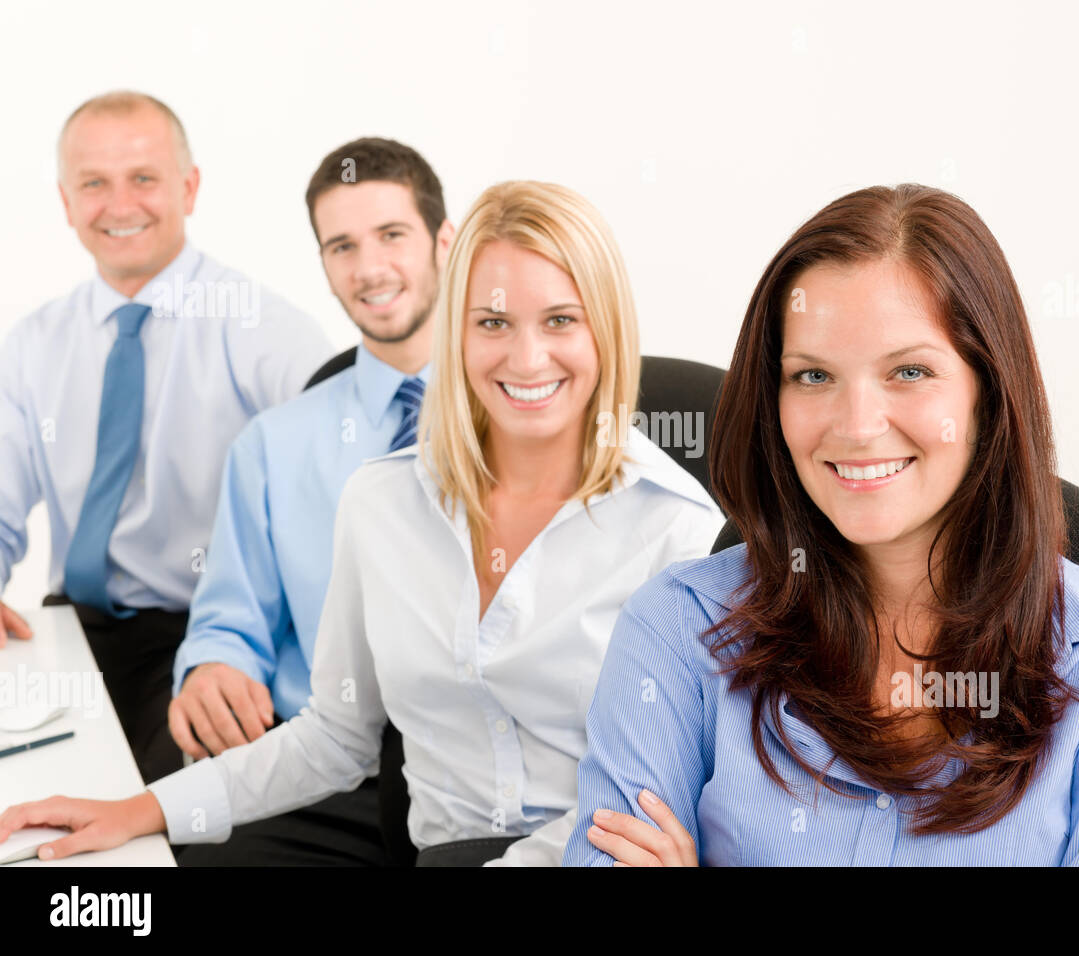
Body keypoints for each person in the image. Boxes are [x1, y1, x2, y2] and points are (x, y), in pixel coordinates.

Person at [0, 180, 725, 867]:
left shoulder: (677, 532)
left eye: (561, 320)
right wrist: (143, 808)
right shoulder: (383, 501)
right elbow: (335, 737)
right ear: (456, 331)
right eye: (493, 322)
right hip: (437, 854)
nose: (526, 357)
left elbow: (647, 797)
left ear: (608, 327)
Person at [564, 184, 1079, 866]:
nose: (858, 427)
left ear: (990, 390)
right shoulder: (675, 628)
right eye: (812, 376)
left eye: (910, 371)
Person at [0, 91, 331, 784]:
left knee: (166, 817)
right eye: (94, 183)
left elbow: (343, 502)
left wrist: (241, 647)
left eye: (144, 178)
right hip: (70, 627)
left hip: (210, 634)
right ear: (65, 202)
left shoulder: (265, 333)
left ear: (189, 187)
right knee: (30, 791)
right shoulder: (33, 345)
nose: (120, 205)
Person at [164, 138, 456, 866]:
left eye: (392, 235)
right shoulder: (272, 444)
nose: (369, 269)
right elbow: (231, 618)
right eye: (342, 246)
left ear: (444, 242)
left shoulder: (530, 407)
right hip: (329, 774)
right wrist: (213, 667)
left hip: (487, 780)